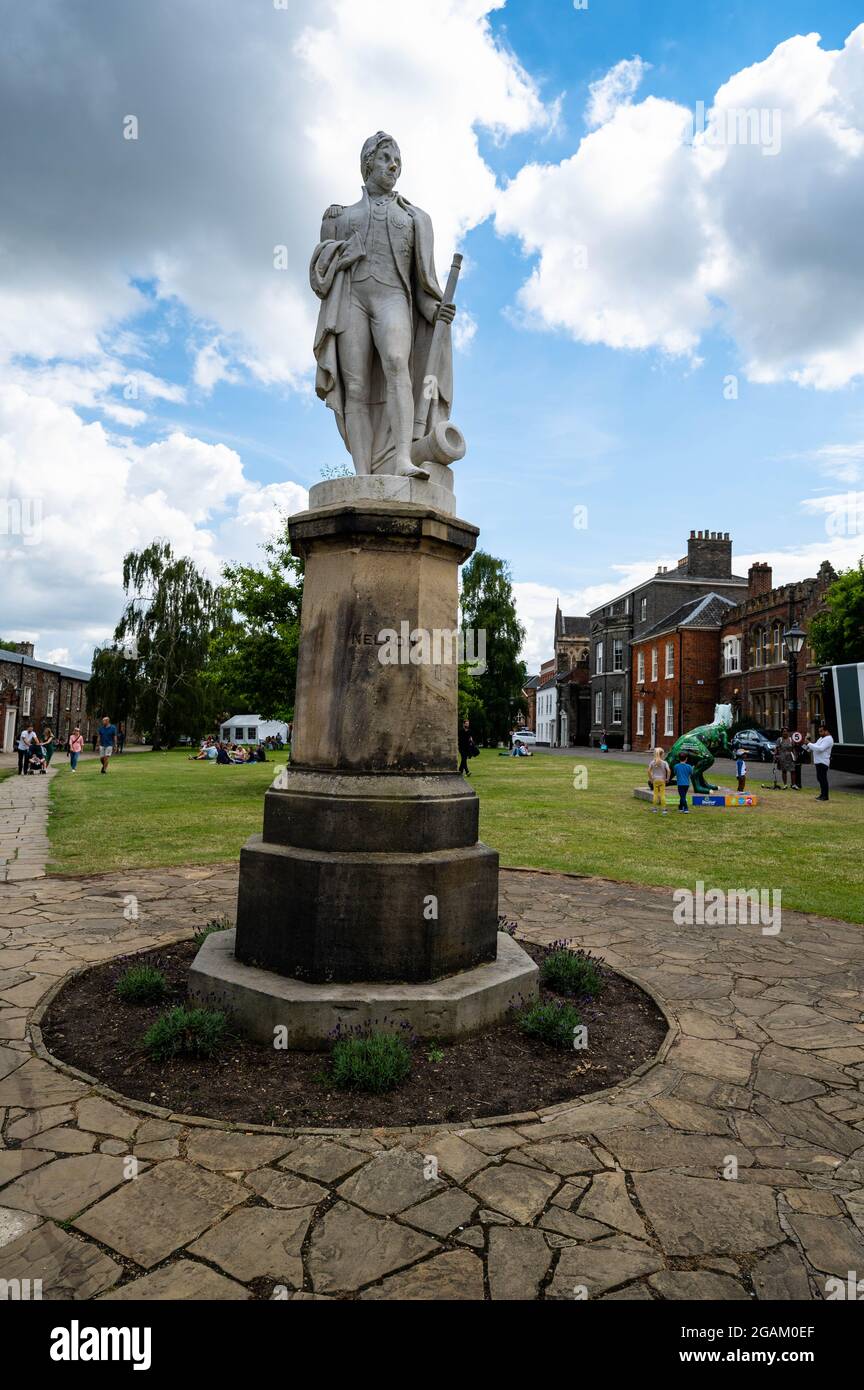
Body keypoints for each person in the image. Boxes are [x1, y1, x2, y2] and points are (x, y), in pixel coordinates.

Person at [805, 724, 834, 802]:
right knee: (820, 778)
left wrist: (809, 743)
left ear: (826, 731)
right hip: (818, 761)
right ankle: (822, 794)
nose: (820, 733)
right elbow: (815, 746)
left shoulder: (828, 739)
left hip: (823, 762)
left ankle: (825, 796)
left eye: (821, 731)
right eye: (819, 731)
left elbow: (820, 749)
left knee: (823, 779)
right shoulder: (821, 738)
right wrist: (808, 746)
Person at [647, 747, 670, 814]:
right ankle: (664, 809)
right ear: (662, 754)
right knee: (662, 794)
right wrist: (667, 778)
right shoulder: (664, 762)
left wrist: (651, 779)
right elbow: (668, 770)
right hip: (662, 780)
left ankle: (654, 809)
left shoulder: (652, 762)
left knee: (655, 794)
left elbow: (648, 771)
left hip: (655, 780)